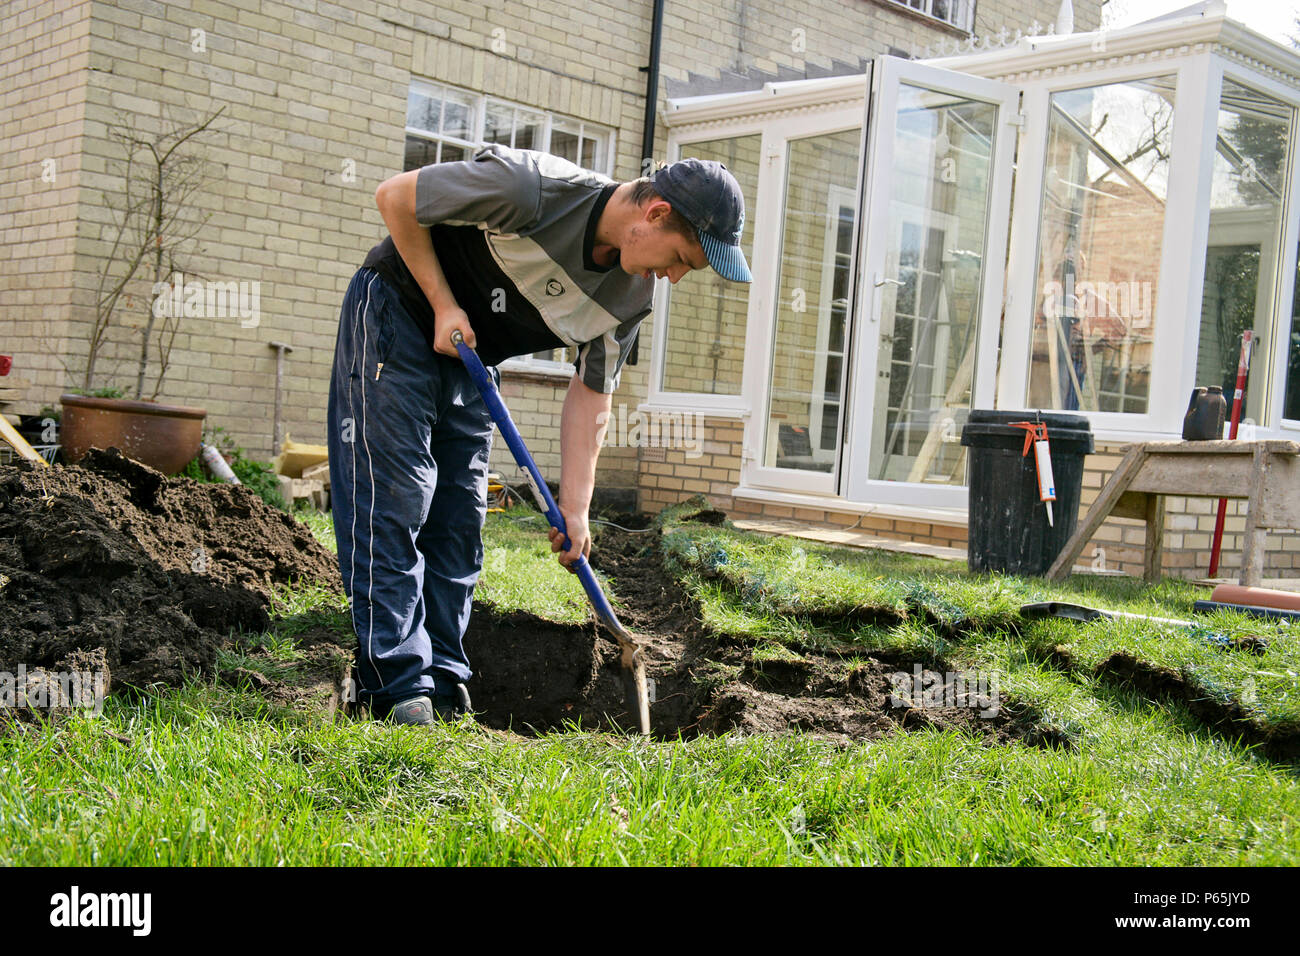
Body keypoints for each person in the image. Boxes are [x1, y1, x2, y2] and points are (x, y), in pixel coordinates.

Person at [326, 143, 751, 726]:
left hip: (474, 358)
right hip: (398, 312)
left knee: (459, 516)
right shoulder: (530, 190)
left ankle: (444, 678)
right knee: (394, 498)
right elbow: (395, 197)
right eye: (681, 257)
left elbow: (591, 394)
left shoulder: (629, 297)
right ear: (654, 214)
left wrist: (576, 508)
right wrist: (445, 305)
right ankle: (396, 684)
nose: (673, 277)